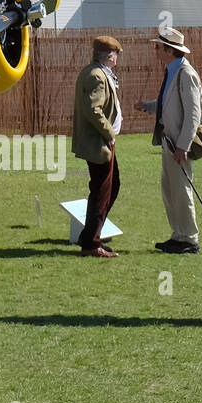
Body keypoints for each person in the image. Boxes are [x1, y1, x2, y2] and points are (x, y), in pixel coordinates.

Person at [135, 27, 202, 254]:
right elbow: (168, 101)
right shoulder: (173, 70)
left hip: (177, 143)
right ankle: (178, 235)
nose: (155, 49)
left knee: (181, 189)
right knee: (170, 189)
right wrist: (148, 106)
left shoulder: (186, 73)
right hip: (168, 140)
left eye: (158, 46)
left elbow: (194, 113)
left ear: (169, 50)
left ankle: (189, 239)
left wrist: (184, 145)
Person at [71, 35, 124, 258]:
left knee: (110, 187)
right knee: (102, 191)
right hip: (99, 143)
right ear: (109, 56)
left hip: (100, 141)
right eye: (116, 55)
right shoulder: (97, 76)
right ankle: (91, 243)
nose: (117, 58)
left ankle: (89, 235)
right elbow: (94, 110)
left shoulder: (94, 72)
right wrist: (110, 133)